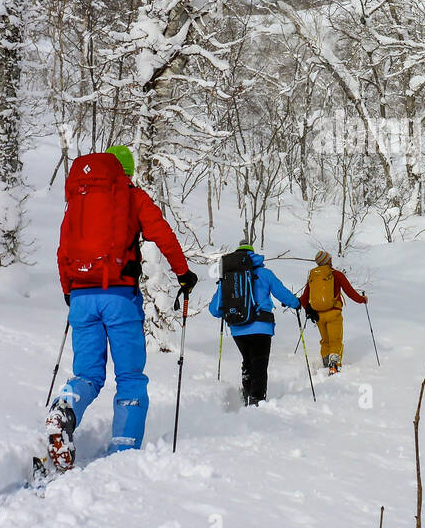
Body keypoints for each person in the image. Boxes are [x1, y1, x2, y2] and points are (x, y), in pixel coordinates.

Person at [49, 145, 198, 470]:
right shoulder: (131, 196)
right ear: (125, 173)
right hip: (119, 298)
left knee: (87, 373)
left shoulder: (79, 201)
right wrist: (184, 273)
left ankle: (65, 406)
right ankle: (122, 453)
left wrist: (68, 291)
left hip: (82, 297)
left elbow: (63, 249)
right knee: (129, 376)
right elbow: (163, 234)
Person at [208, 241, 301, 406]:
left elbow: (214, 309)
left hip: (237, 328)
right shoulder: (265, 273)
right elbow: (283, 294)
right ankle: (256, 398)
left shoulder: (228, 276)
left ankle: (247, 390)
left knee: (247, 360)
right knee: (259, 361)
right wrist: (297, 304)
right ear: (253, 255)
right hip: (261, 326)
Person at [299, 250, 367, 373]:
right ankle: (334, 366)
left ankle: (326, 363)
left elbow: (304, 299)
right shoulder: (336, 274)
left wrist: (308, 309)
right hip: (334, 313)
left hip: (318, 315)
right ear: (327, 261)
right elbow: (350, 292)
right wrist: (362, 300)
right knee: (335, 341)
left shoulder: (313, 277)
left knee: (325, 341)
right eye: (330, 258)